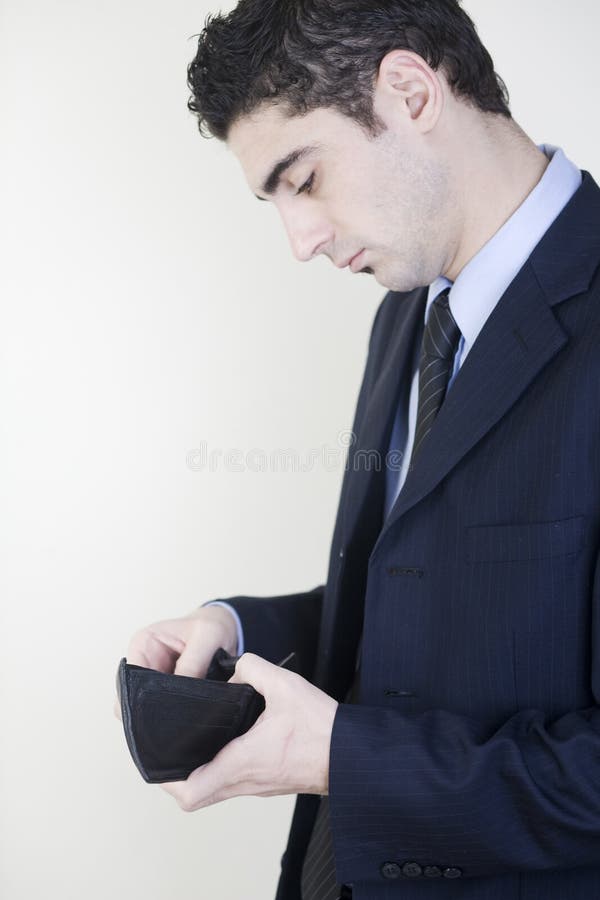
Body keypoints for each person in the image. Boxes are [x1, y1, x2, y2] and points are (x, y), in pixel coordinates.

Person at [115, 1, 600, 898]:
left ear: (412, 92)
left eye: (303, 180)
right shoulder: (405, 317)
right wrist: (238, 631)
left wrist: (342, 757)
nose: (301, 242)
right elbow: (422, 595)